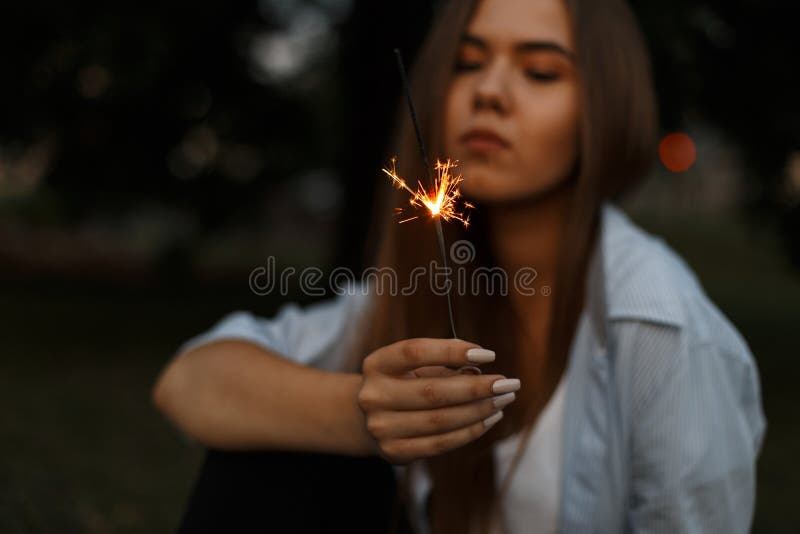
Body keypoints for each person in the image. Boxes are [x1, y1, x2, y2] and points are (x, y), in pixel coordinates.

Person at [152, 0, 767, 532]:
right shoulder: (436, 279)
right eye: (467, 63)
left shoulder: (662, 334)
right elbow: (190, 381)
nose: (489, 92)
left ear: (605, 108)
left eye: (541, 71)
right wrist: (364, 414)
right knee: (264, 456)